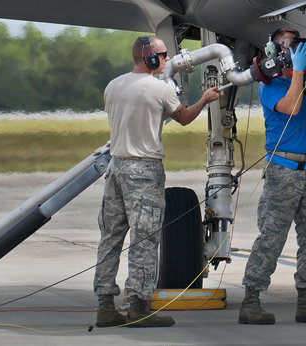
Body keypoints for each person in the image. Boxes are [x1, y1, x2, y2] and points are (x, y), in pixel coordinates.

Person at [94, 34, 220, 328]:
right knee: (145, 238)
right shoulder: (160, 89)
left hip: (116, 167)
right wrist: (205, 98)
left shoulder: (112, 86)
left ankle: (105, 305)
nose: (166, 60)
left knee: (111, 238)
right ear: (151, 58)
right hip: (143, 170)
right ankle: (138, 306)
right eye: (163, 55)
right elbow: (185, 118)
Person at [239, 28, 306, 325]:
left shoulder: (304, 77)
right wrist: (297, 70)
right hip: (283, 171)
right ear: (273, 49)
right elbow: (292, 107)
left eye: (295, 43)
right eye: (286, 44)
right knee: (271, 236)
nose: (292, 48)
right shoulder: (269, 86)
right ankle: (251, 299)